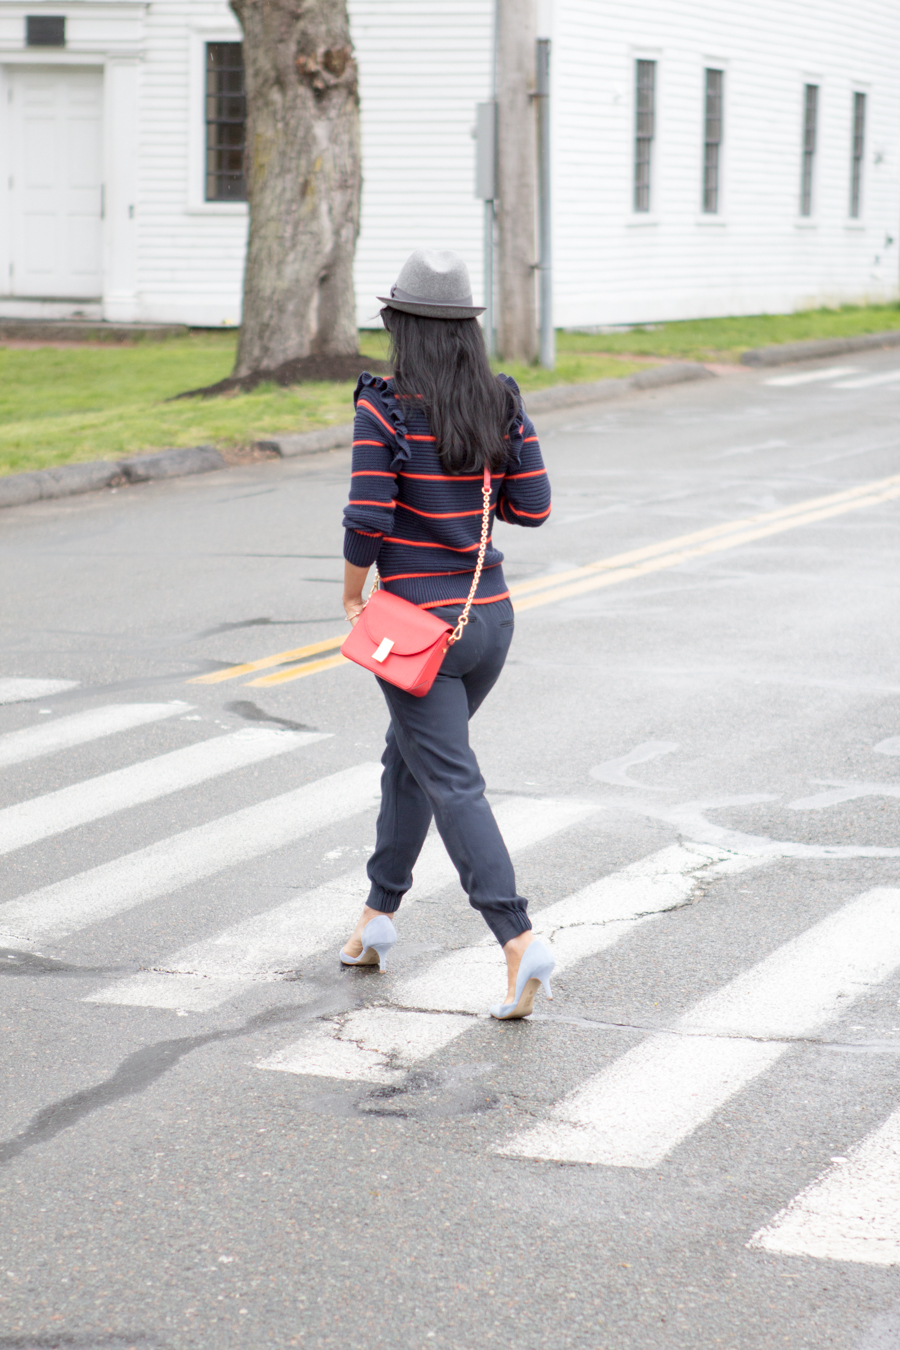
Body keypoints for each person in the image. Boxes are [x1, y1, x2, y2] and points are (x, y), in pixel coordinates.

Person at [340, 248, 554, 1019]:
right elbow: (532, 508)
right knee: (414, 760)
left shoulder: (383, 407)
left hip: (415, 627)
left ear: (398, 324)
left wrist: (351, 595)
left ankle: (518, 938)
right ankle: (377, 917)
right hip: (487, 618)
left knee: (451, 780)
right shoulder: (498, 402)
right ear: (466, 330)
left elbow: (367, 516)